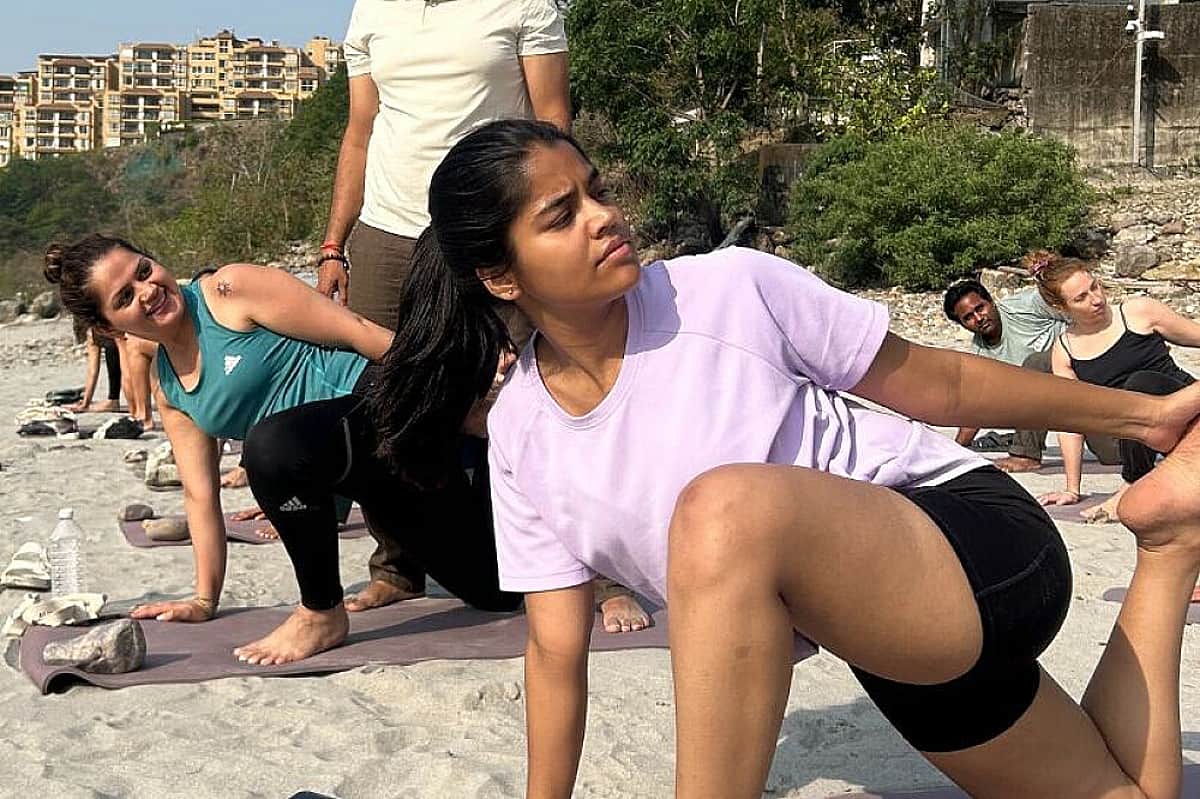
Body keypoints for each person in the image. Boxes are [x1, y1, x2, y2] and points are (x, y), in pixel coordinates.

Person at [370, 119, 1200, 799]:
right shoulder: (522, 431)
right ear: (500, 276)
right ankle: (1170, 543)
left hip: (973, 542)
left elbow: (941, 383)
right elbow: (555, 651)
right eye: (561, 215)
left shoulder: (726, 288)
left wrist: (1150, 414)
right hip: (885, 638)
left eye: (598, 190)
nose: (604, 216)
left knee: (721, 508)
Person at [305, 0, 659, 627]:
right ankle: (397, 566)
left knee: (544, 389)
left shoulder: (525, 4)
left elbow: (552, 121)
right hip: (387, 229)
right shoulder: (372, 11)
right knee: (389, 396)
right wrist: (335, 241)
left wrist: (556, 223)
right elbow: (361, 130)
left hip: (490, 229)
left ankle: (599, 573)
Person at [44, 233, 522, 665]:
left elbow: (359, 331)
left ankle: (321, 612)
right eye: (125, 297)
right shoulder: (172, 391)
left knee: (269, 447)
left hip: (391, 414)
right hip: (374, 480)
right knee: (495, 592)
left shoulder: (228, 290)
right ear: (109, 328)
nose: (147, 291)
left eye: (144, 271)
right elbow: (200, 495)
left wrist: (456, 398)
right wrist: (204, 599)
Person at [1031, 251, 1200, 532]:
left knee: (1138, 384)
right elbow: (1070, 421)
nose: (1096, 299)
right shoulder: (1066, 349)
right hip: (1141, 432)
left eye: (1094, 287)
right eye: (1081, 298)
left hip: (1186, 408)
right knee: (1124, 407)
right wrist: (1072, 488)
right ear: (1061, 307)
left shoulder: (1138, 312)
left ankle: (1132, 482)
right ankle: (1137, 479)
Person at [942, 279, 1119, 472]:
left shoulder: (1025, 306)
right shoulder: (981, 355)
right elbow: (976, 408)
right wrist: (954, 450)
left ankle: (1026, 454)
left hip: (1094, 368)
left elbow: (1078, 309)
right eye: (968, 317)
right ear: (962, 324)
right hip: (1076, 403)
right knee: (1112, 455)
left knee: (1036, 365)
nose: (979, 318)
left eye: (980, 308)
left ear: (991, 301)